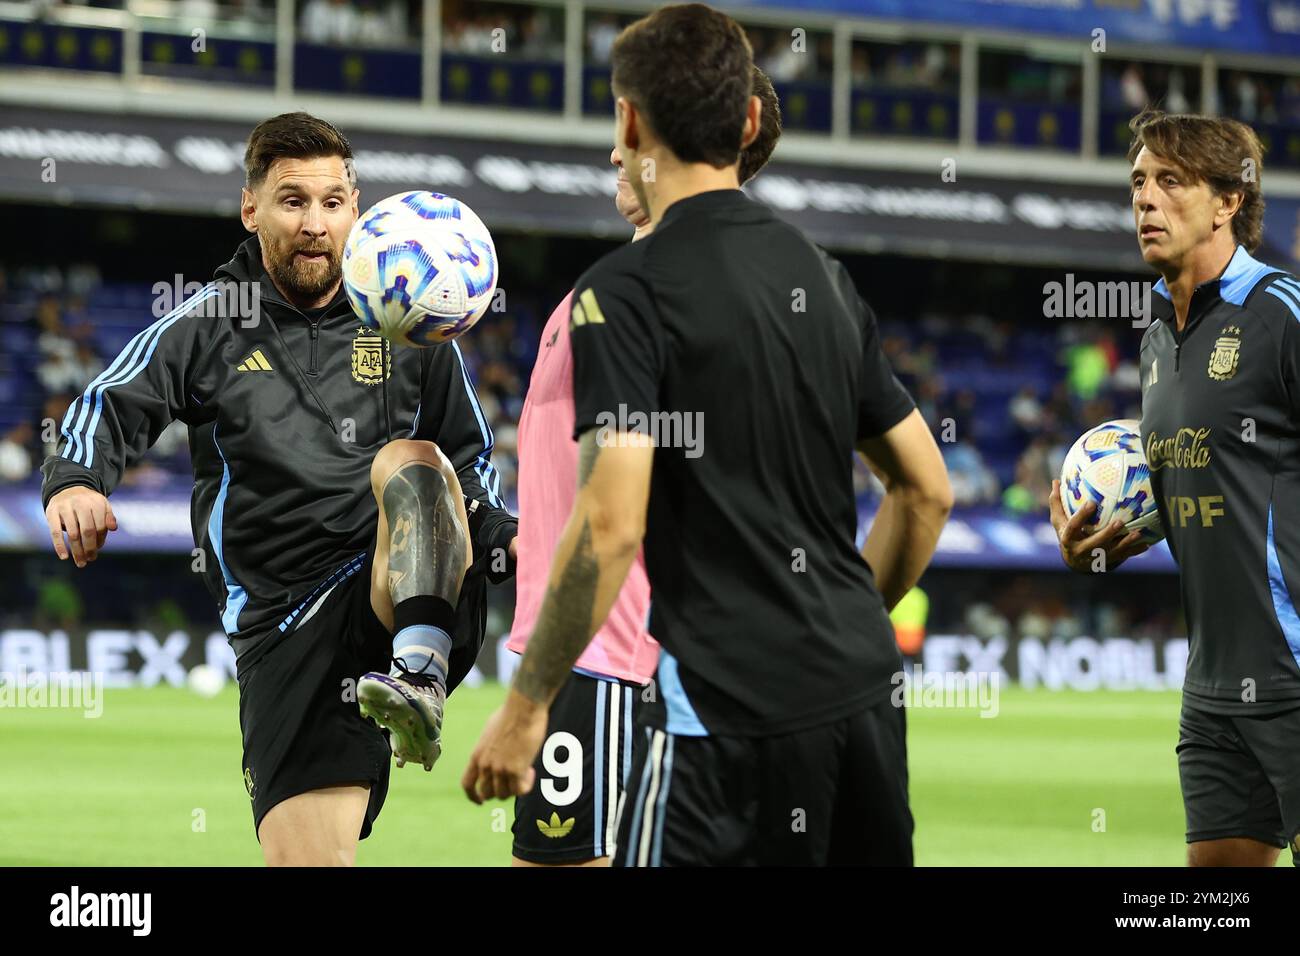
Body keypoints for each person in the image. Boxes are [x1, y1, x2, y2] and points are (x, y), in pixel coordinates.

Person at [463, 3, 952, 866]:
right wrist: (833, 626)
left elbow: (610, 526)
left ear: (630, 120)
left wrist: (527, 705)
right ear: (751, 119)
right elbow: (925, 491)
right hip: (862, 695)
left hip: (722, 707)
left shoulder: (627, 291)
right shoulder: (824, 278)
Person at [41, 112, 517, 866]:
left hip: (397, 590)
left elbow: (470, 462)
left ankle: (419, 673)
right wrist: (75, 481)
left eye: (333, 202)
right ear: (250, 208)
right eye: (293, 201)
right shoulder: (206, 325)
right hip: (283, 623)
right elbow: (107, 404)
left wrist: (502, 536)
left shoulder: (408, 325)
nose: (315, 224)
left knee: (413, 456)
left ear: (356, 210)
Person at [506, 65, 783, 867]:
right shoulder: (633, 282)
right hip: (583, 645)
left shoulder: (673, 291)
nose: (616, 156)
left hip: (609, 654)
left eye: (637, 138)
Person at [1050, 109, 1300, 867]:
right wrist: (1099, 543)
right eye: (1137, 181)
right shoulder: (1159, 338)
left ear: (1229, 201)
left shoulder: (1282, 313)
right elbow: (1206, 480)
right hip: (1215, 687)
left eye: (1171, 181)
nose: (1145, 200)